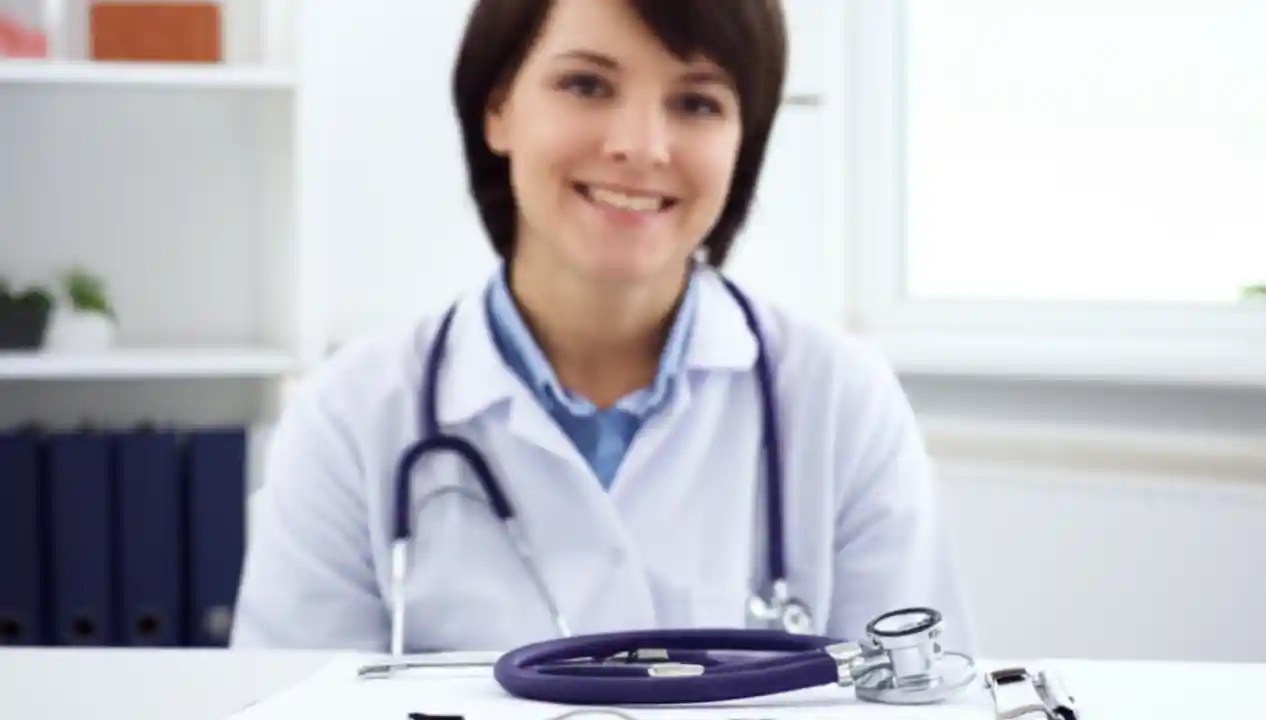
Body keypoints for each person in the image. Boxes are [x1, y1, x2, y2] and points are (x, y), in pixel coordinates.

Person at [231, 0, 974, 654]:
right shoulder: (350, 419)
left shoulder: (842, 403)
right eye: (587, 85)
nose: (642, 145)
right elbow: (292, 701)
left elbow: (921, 702)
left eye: (698, 102)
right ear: (498, 108)